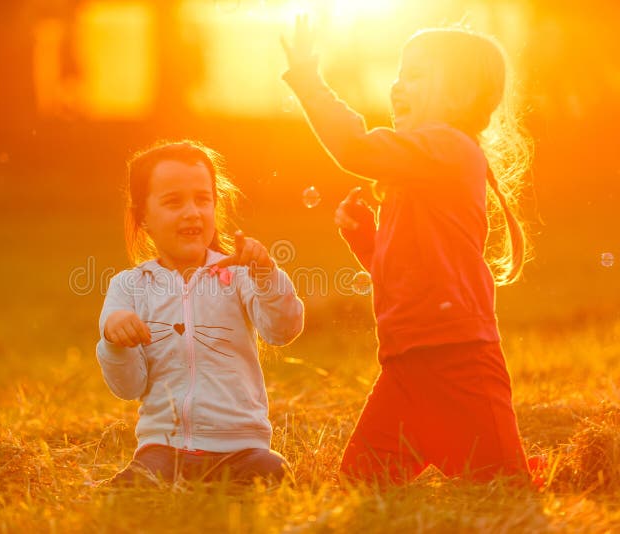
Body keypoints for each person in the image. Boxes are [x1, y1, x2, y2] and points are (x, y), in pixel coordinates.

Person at [281, 17, 533, 485]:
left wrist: (309, 81)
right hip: (404, 367)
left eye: (416, 74)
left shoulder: (450, 149)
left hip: (460, 363)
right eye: (399, 72)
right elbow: (404, 273)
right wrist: (367, 241)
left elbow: (355, 147)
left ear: (458, 96)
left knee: (504, 486)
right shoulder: (418, 170)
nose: (399, 84)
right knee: (361, 481)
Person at [96, 140, 304, 486]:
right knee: (138, 485)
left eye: (202, 199)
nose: (192, 212)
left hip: (240, 448)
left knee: (274, 472)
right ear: (142, 216)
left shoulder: (238, 276)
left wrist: (267, 274)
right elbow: (129, 387)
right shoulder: (128, 287)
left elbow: (282, 331)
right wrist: (115, 342)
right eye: (173, 202)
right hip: (165, 446)